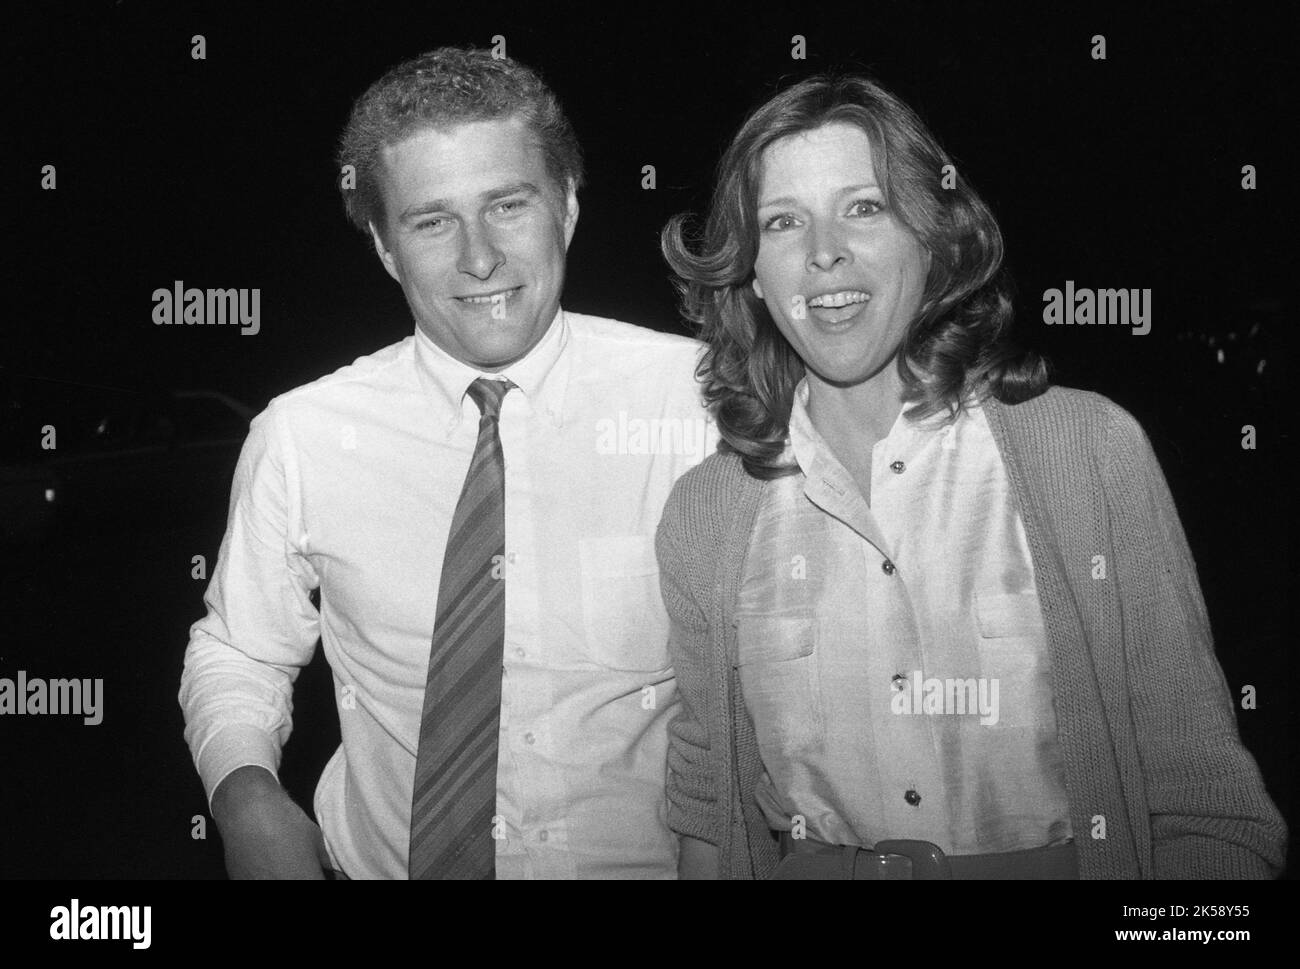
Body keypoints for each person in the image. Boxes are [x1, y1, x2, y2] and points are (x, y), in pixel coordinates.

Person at [656, 74, 1287, 879]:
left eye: (865, 207)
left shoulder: (1088, 451)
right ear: (750, 273)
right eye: (783, 222)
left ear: (932, 238)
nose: (823, 252)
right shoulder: (707, 514)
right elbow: (709, 814)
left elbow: (1206, 811)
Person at [180, 47, 713, 879]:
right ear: (386, 248)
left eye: (507, 204)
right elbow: (239, 648)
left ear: (567, 209)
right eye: (432, 221)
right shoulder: (304, 435)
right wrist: (247, 800)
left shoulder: (702, 406)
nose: (478, 257)